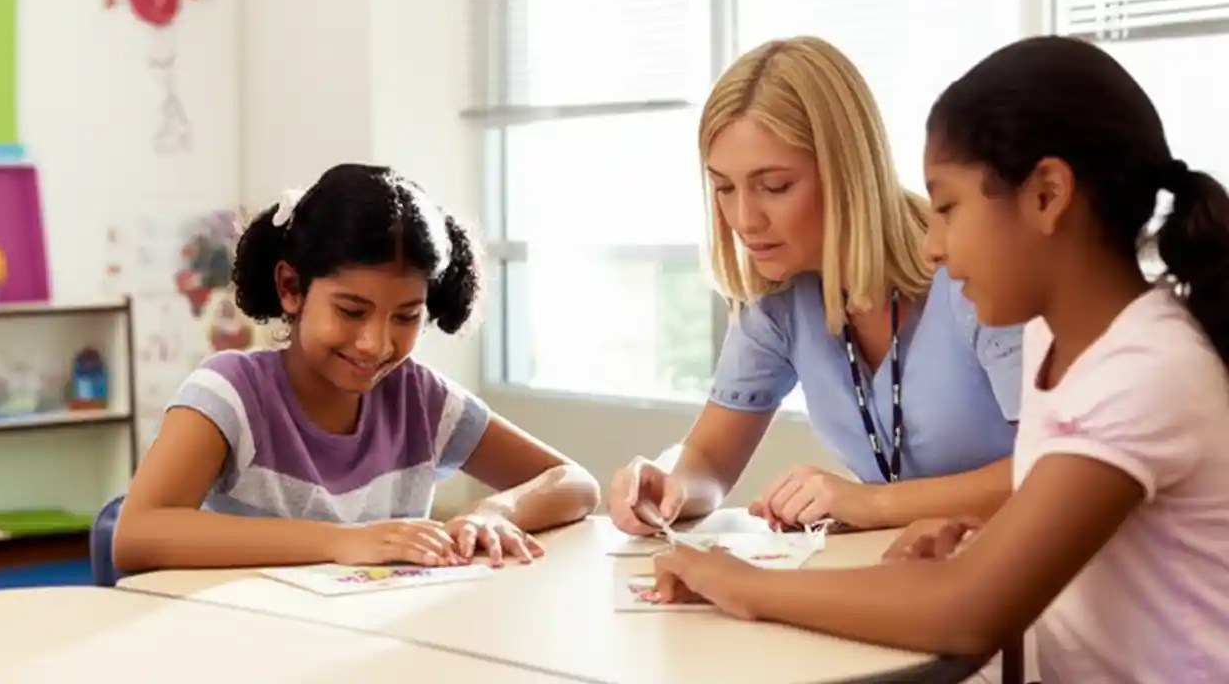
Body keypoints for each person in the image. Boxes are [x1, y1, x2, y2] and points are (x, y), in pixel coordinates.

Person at [653, 36, 1229, 682]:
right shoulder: (1059, 347)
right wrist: (972, 539)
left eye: (948, 208)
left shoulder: (1141, 371)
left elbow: (969, 609)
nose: (930, 245)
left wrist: (738, 582)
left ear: (1046, 196)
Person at [608, 36, 1022, 535]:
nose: (743, 219)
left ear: (848, 172)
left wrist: (869, 504)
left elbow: (1057, 473)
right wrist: (669, 485)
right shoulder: (779, 298)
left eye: (776, 187)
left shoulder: (974, 272)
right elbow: (710, 459)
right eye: (723, 188)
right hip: (919, 574)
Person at [114, 164, 600, 572]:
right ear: (291, 287)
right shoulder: (231, 393)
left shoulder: (421, 400)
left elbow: (575, 482)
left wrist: (498, 510)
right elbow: (136, 533)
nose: (376, 344)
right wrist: (340, 542)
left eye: (407, 317)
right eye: (351, 311)